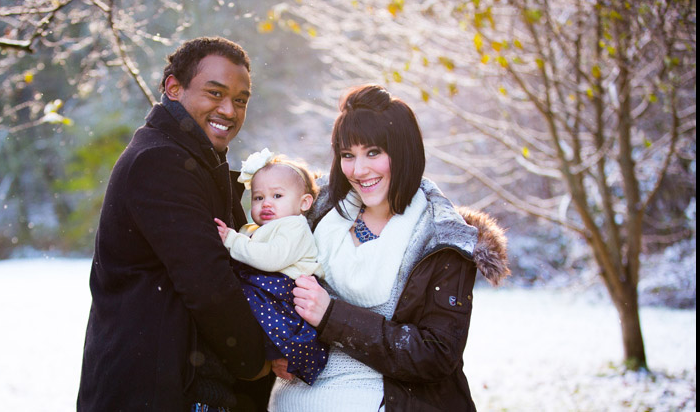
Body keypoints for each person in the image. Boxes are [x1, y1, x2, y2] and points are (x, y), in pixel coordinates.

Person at [269, 84, 511, 411]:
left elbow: (435, 355)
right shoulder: (313, 215)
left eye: (373, 153)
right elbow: (262, 289)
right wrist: (271, 350)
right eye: (347, 155)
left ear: (403, 151)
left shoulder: (440, 239)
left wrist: (332, 316)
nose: (359, 170)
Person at [77, 37, 269, 412]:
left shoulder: (195, 160)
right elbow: (207, 282)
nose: (229, 110)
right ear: (173, 88)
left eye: (241, 100)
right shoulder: (159, 161)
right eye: (215, 93)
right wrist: (256, 363)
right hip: (150, 391)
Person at [214, 149, 329, 386]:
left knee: (255, 303)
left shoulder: (294, 226)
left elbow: (271, 258)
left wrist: (232, 240)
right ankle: (270, 354)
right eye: (258, 198)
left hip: (286, 293)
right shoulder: (260, 228)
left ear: (304, 202)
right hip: (270, 290)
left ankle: (285, 354)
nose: (266, 203)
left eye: (277, 196)